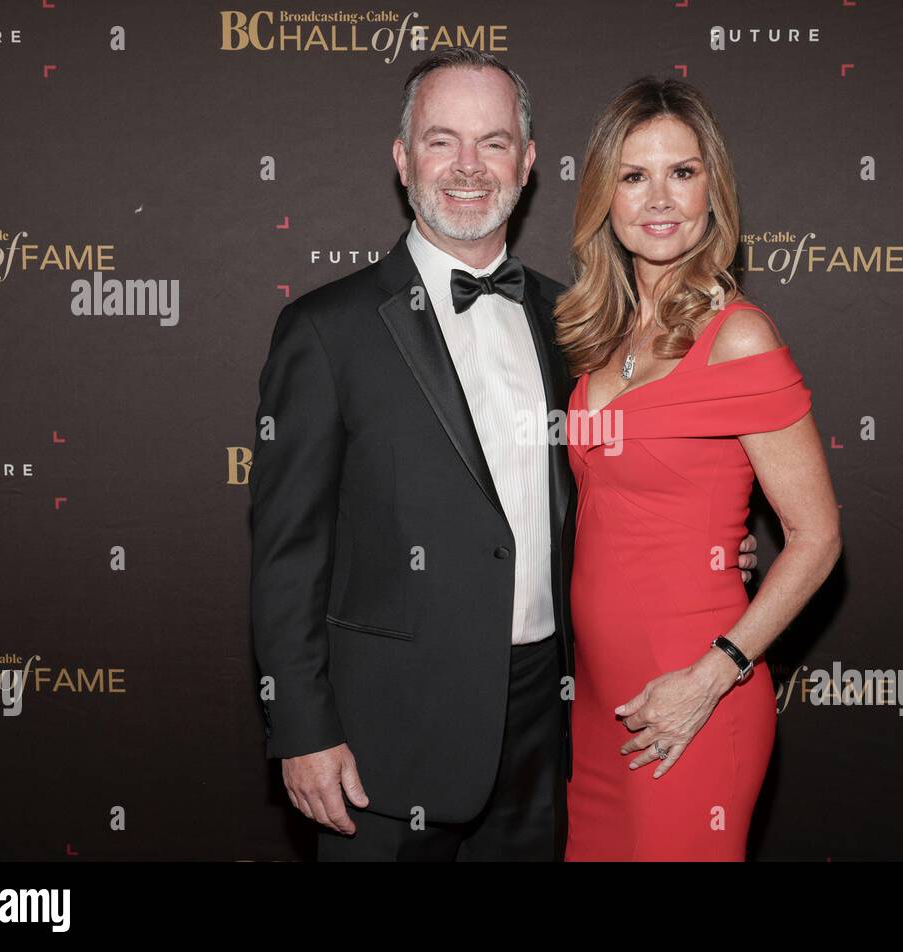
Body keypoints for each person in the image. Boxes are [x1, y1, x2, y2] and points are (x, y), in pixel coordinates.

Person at [248, 49, 760, 861]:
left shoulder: (578, 323)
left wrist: (710, 535)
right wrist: (302, 729)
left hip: (553, 721)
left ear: (527, 163)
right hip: (385, 739)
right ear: (402, 157)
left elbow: (621, 482)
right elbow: (287, 553)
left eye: (493, 143)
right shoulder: (326, 330)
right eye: (441, 139)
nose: (467, 168)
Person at [556, 76, 843, 861]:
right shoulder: (603, 341)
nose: (660, 198)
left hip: (693, 697)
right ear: (603, 198)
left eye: (682, 172)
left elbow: (816, 537)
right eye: (634, 175)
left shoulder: (740, 336)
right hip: (601, 702)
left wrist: (712, 677)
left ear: (713, 190)